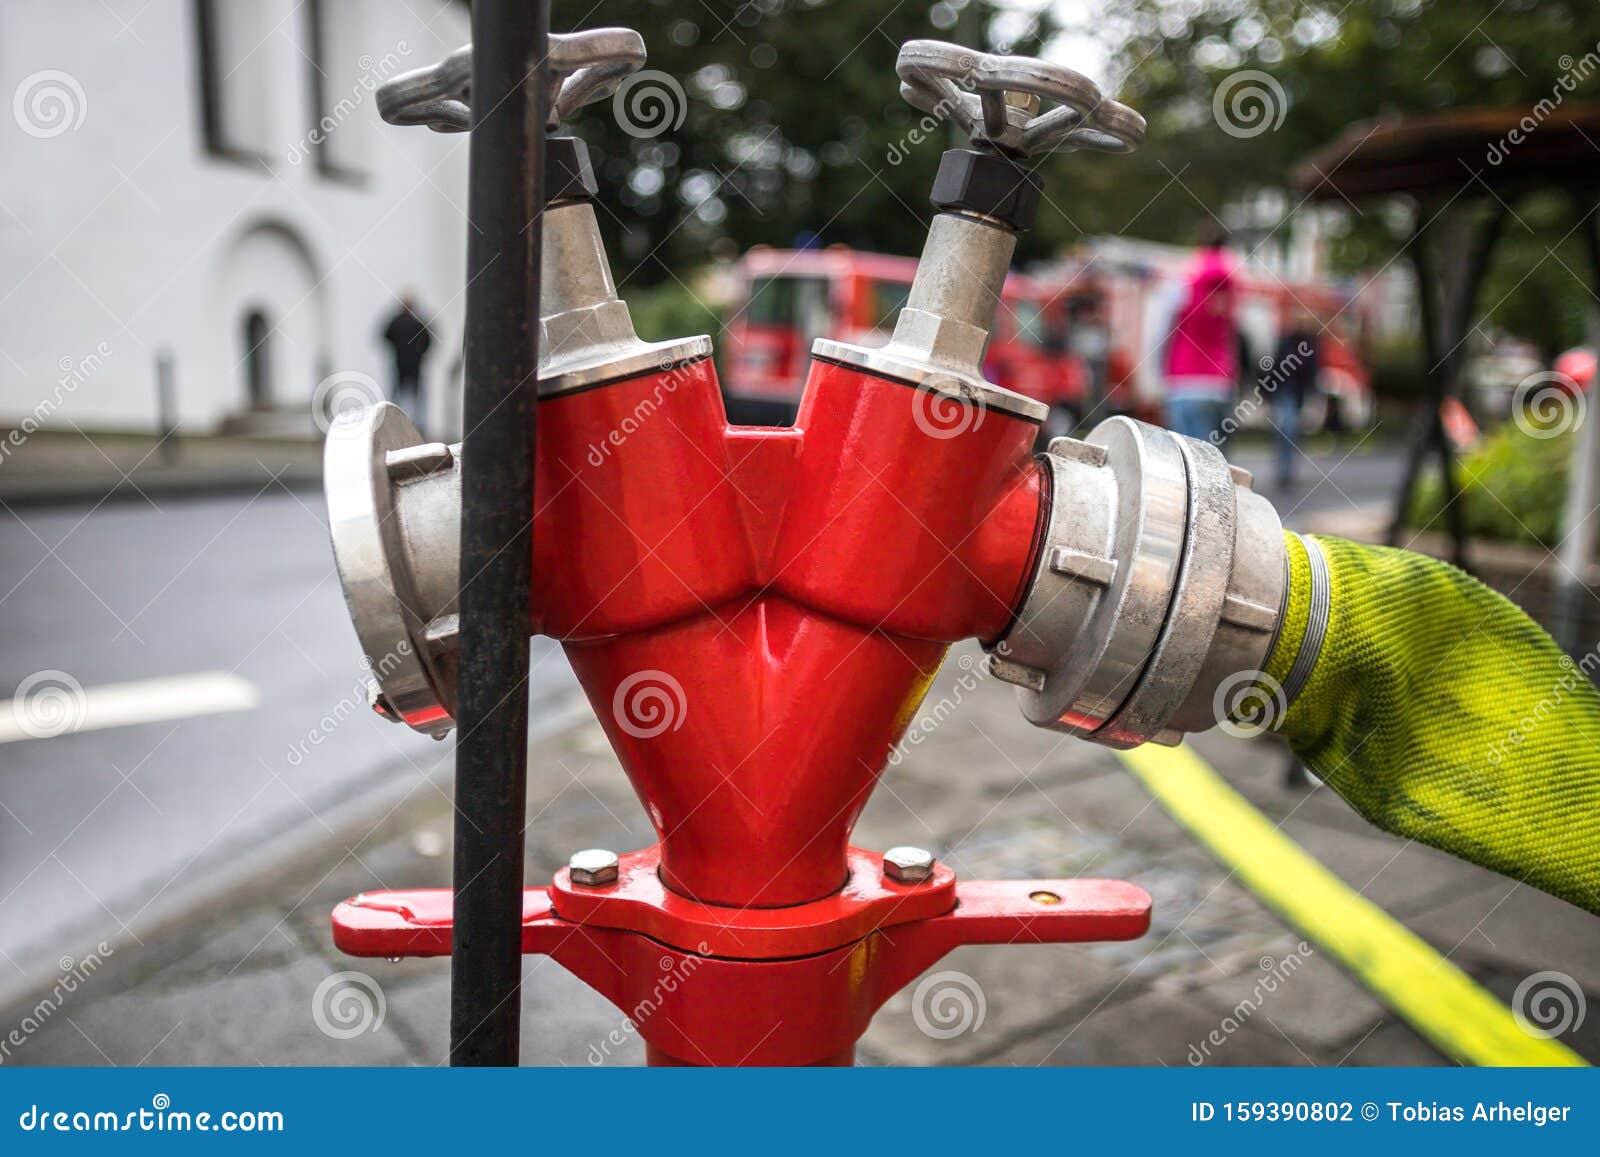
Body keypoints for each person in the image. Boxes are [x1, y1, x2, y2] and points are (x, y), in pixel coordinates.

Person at [1162, 228, 1239, 448]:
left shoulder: (1185, 277)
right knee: (1217, 461)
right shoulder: (1235, 281)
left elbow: (1163, 328)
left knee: (1186, 459)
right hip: (1221, 380)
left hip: (1185, 378)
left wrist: (1160, 369)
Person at [1270, 309, 1320, 491]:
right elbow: (1275, 366)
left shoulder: (1310, 344)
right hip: (1284, 392)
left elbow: (1312, 371)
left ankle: (1288, 468)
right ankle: (1284, 469)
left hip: (1299, 395)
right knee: (1287, 429)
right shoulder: (1286, 342)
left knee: (1292, 432)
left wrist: (1313, 393)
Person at [380, 294, 434, 428]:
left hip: (400, 363)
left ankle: (394, 422)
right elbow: (428, 340)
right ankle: (418, 423)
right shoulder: (417, 322)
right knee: (416, 395)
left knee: (397, 395)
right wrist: (420, 353)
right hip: (414, 364)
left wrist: (396, 349)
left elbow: (385, 336)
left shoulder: (396, 322)